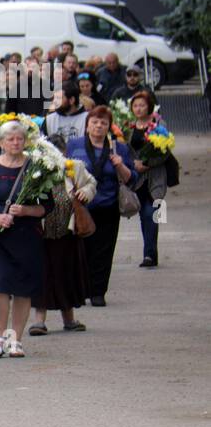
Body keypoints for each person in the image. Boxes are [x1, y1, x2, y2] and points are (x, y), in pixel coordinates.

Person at [0, 119, 52, 358]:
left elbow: (47, 206)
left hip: (26, 235)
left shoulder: (36, 167)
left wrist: (27, 211)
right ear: (2, 142)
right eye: (11, 139)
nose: (16, 143)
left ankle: (15, 339)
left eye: (20, 138)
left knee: (22, 288)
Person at [67, 106, 135, 306]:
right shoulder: (75, 145)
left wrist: (120, 164)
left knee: (103, 251)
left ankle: (98, 291)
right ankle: (81, 290)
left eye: (103, 123)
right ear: (87, 126)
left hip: (108, 205)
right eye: (94, 122)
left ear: (109, 127)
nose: (98, 126)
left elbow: (132, 178)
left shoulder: (119, 148)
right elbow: (65, 171)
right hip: (81, 206)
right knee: (81, 250)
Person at [30, 139, 97, 335]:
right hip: (42, 234)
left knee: (67, 275)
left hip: (68, 233)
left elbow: (91, 182)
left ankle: (69, 319)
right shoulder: (35, 171)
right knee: (42, 276)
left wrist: (85, 192)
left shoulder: (73, 167)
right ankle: (39, 321)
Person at [127, 90, 169, 268]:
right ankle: (150, 251)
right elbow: (122, 148)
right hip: (136, 178)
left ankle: (149, 255)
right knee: (143, 216)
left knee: (151, 213)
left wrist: (148, 163)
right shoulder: (128, 126)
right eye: (135, 105)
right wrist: (132, 164)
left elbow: (165, 151)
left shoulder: (158, 125)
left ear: (149, 107)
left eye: (142, 105)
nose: (138, 109)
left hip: (155, 177)